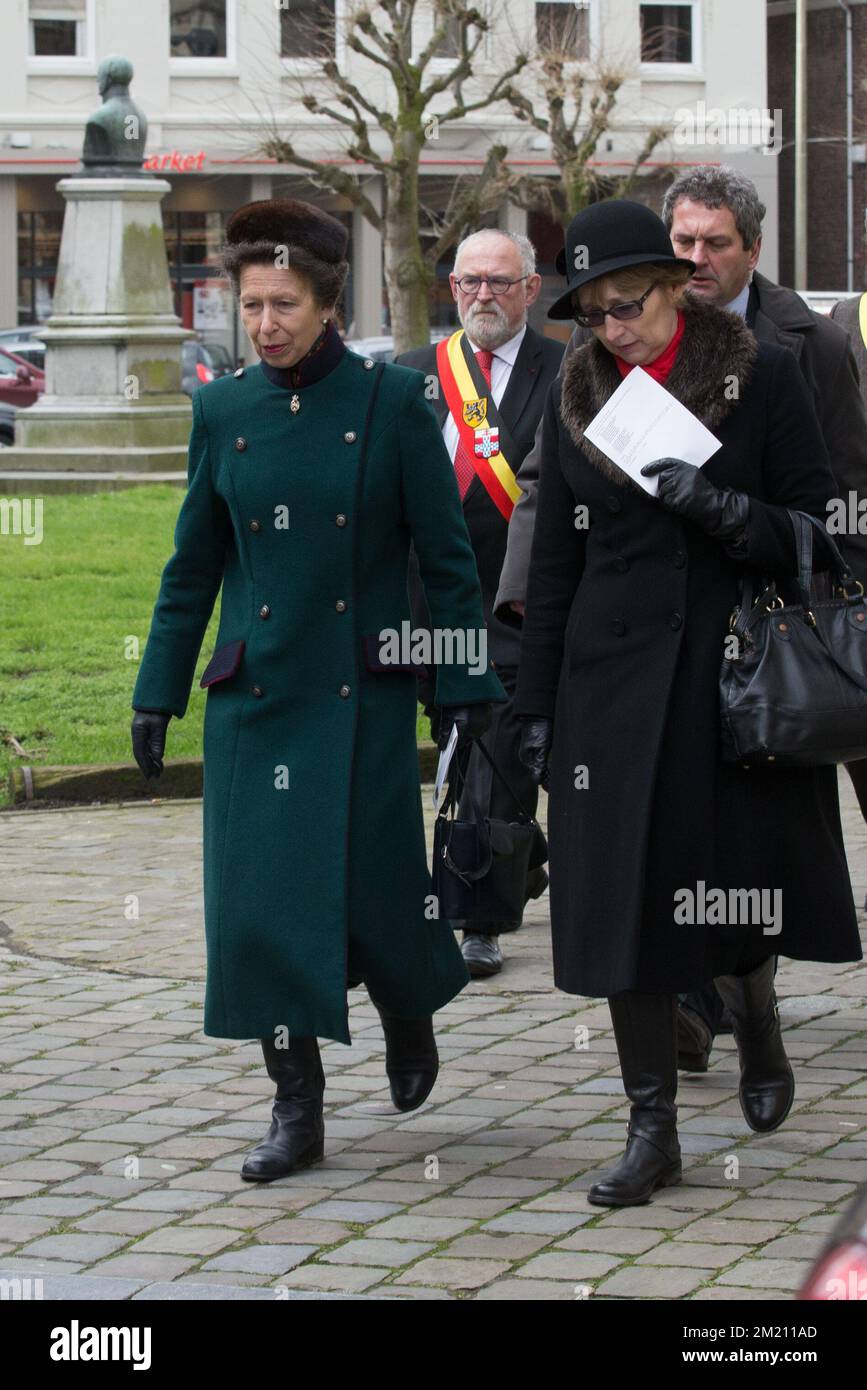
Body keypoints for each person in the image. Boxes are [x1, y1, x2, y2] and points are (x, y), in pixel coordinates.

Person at [130, 198, 505, 1183]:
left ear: (329, 302)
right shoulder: (222, 411)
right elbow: (191, 567)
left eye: (284, 304)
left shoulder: (391, 406)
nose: (265, 324)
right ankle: (295, 1107)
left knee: (380, 893)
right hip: (257, 700)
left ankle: (408, 1009)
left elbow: (448, 554)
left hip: (364, 694)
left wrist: (463, 676)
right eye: (250, 306)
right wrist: (156, 688)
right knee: (260, 909)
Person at [513, 199, 862, 1207]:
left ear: (676, 285)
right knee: (625, 904)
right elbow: (557, 565)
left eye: (628, 306)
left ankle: (754, 1013)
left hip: (730, 676)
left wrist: (723, 511)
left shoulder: (765, 376)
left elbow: (816, 531)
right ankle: (651, 1127)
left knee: (737, 885)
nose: (613, 329)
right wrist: (536, 707)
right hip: (611, 688)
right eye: (592, 315)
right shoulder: (578, 393)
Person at [397, 229, 564, 978]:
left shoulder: (567, 372)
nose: (482, 297)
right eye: (469, 283)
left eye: (499, 283)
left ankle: (478, 918)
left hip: (513, 606)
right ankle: (514, 860)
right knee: (458, 752)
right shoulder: (411, 377)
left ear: (531, 289)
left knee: (495, 754)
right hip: (426, 612)